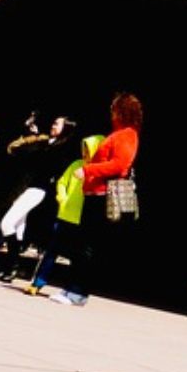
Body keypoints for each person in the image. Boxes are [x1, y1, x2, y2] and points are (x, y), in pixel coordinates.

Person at [48, 93, 142, 307]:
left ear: (121, 111)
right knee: (84, 246)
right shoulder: (119, 134)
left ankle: (76, 291)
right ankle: (76, 291)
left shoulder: (126, 135)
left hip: (101, 195)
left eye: (114, 108)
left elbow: (120, 165)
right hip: (93, 194)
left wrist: (88, 169)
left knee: (87, 247)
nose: (111, 112)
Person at [0, 117, 79, 281]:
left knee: (7, 223)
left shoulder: (61, 148)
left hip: (38, 189)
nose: (52, 126)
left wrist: (37, 141)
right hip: (26, 187)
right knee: (19, 227)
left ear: (66, 128)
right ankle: (9, 268)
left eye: (56, 124)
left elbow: (44, 162)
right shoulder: (46, 142)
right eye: (53, 122)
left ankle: (13, 265)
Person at [26, 135, 103, 295]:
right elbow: (62, 181)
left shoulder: (99, 171)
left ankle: (69, 289)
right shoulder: (76, 164)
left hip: (82, 219)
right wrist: (62, 197)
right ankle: (37, 282)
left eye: (89, 150)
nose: (85, 153)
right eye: (84, 149)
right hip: (65, 215)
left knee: (77, 257)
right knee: (51, 252)